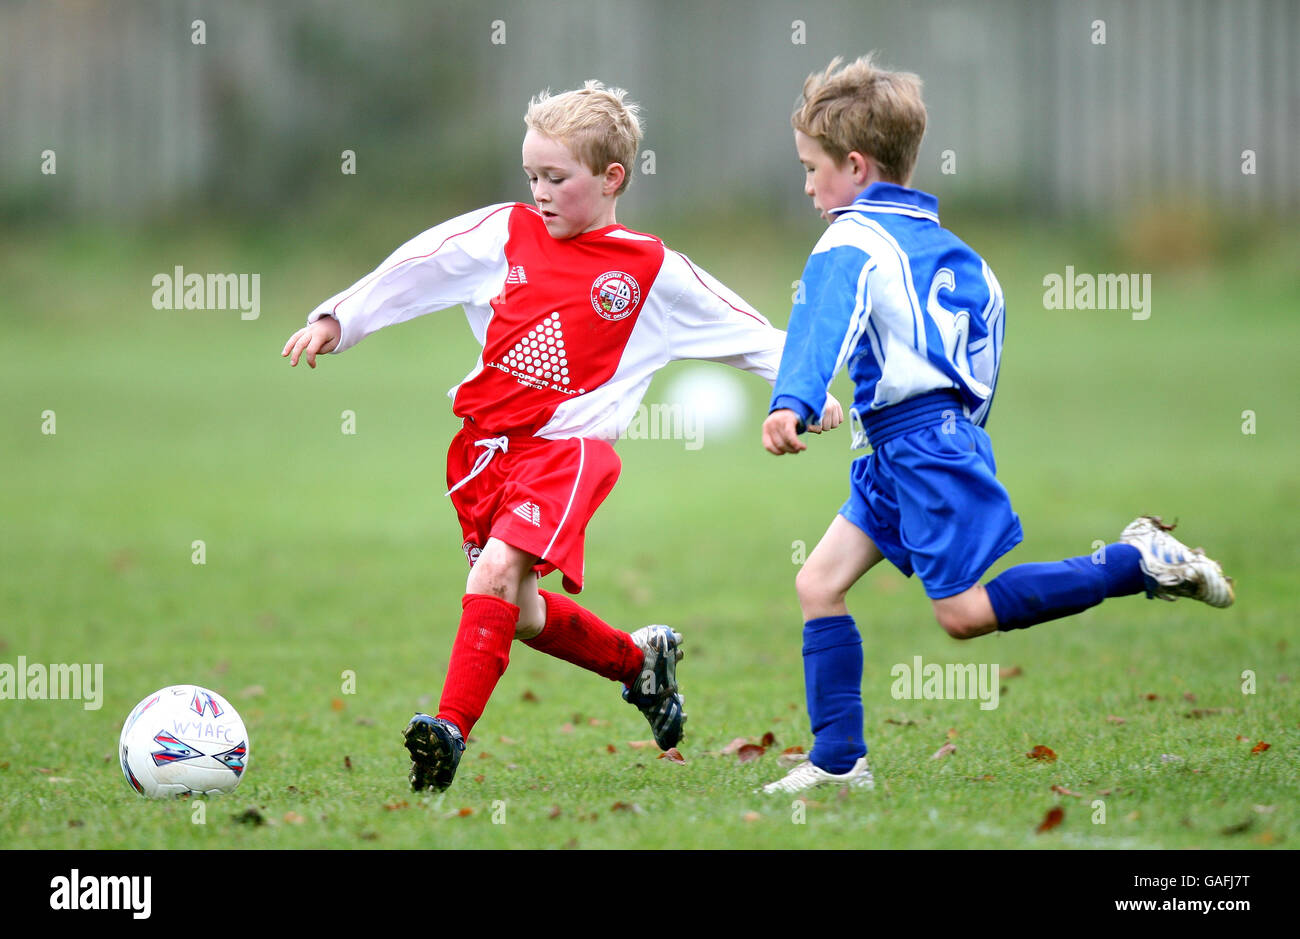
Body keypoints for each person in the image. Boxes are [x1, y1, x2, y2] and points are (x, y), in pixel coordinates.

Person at [282, 80, 841, 792]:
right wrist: (339, 318)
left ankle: (448, 732)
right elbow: (421, 266)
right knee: (516, 611)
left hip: (570, 453)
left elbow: (745, 331)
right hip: (486, 451)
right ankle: (640, 667)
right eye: (532, 176)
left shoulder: (648, 270)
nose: (540, 192)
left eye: (557, 177)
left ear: (611, 179)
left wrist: (806, 391)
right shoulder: (504, 234)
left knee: (490, 577)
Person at [759, 55, 1234, 795]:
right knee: (818, 582)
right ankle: (839, 760)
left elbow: (821, 322)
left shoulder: (848, 240)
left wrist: (792, 398)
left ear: (854, 166)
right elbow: (974, 359)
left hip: (917, 447)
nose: (809, 185)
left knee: (960, 615)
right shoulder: (964, 257)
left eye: (812, 167)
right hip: (916, 442)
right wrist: (942, 432)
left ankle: (1134, 562)